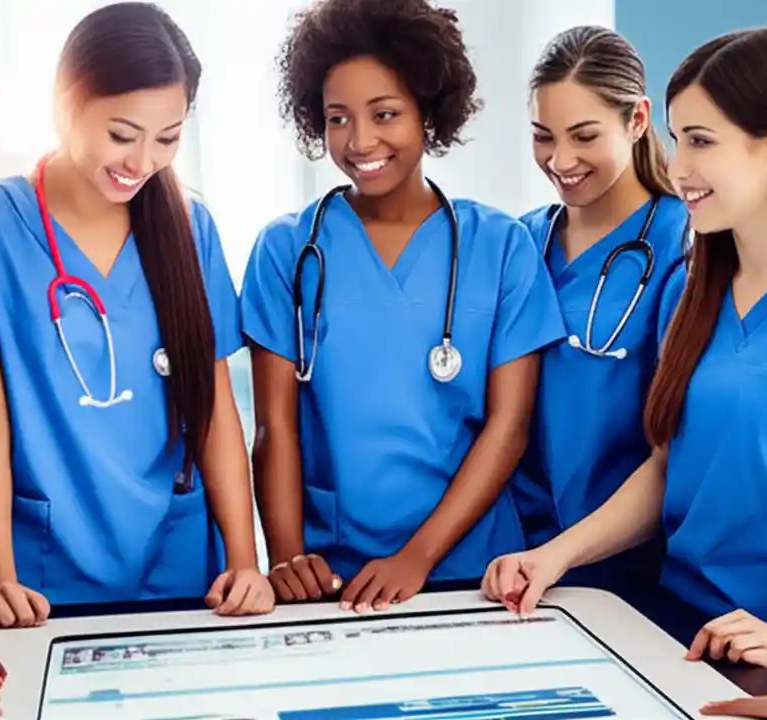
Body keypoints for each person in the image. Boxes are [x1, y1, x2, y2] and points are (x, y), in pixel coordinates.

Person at [483, 27, 767, 693]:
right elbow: (667, 467)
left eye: (701, 140)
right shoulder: (695, 288)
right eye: (678, 137)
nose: (678, 167)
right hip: (678, 635)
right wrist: (553, 557)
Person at [0, 2, 274, 627]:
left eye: (167, 139)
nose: (142, 163)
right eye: (122, 134)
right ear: (64, 104)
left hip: (182, 570)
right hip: (38, 575)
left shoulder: (190, 229)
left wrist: (247, 563)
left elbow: (217, 411)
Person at [242, 0, 565, 612]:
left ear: (428, 112)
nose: (360, 141)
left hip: (474, 572)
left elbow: (509, 427)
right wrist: (287, 559)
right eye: (338, 119)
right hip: (332, 580)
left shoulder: (499, 248)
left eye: (384, 114)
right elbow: (274, 428)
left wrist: (417, 557)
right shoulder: (287, 249)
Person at [513, 26, 687, 595]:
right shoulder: (521, 245)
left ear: (637, 120)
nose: (560, 160)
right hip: (516, 565)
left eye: (584, 135)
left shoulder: (684, 246)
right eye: (543, 137)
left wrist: (561, 553)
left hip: (632, 577)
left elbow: (674, 456)